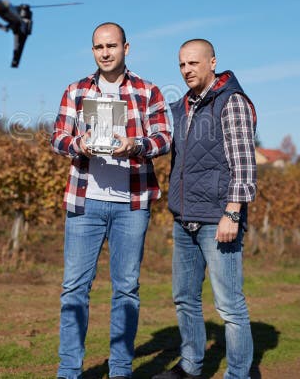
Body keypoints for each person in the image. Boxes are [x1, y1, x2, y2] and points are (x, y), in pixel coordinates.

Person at [50, 22, 172, 379]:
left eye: (112, 46)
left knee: (126, 290)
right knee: (74, 289)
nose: (105, 53)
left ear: (126, 48)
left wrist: (136, 145)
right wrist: (78, 144)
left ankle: (120, 370)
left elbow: (165, 138)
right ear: (93, 51)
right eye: (99, 47)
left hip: (131, 205)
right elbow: (57, 137)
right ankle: (68, 371)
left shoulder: (148, 91)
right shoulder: (75, 90)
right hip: (85, 202)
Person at [154, 39, 257, 379]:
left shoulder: (231, 101)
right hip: (184, 219)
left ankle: (238, 374)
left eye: (193, 63)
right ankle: (190, 366)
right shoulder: (181, 107)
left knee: (229, 305)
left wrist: (232, 212)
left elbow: (244, 164)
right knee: (185, 299)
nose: (187, 70)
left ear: (212, 62)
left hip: (218, 220)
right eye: (182, 65)